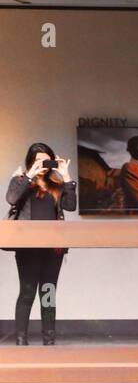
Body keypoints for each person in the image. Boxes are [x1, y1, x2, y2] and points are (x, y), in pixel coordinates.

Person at [7, 143, 77, 345]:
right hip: (27, 249)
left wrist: (67, 177)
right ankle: (21, 339)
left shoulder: (56, 185)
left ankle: (49, 339)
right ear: (31, 161)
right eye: (39, 160)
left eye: (46, 160)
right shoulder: (20, 181)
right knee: (27, 292)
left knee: (48, 294)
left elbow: (70, 206)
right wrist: (30, 175)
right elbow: (11, 198)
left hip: (52, 250)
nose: (43, 165)